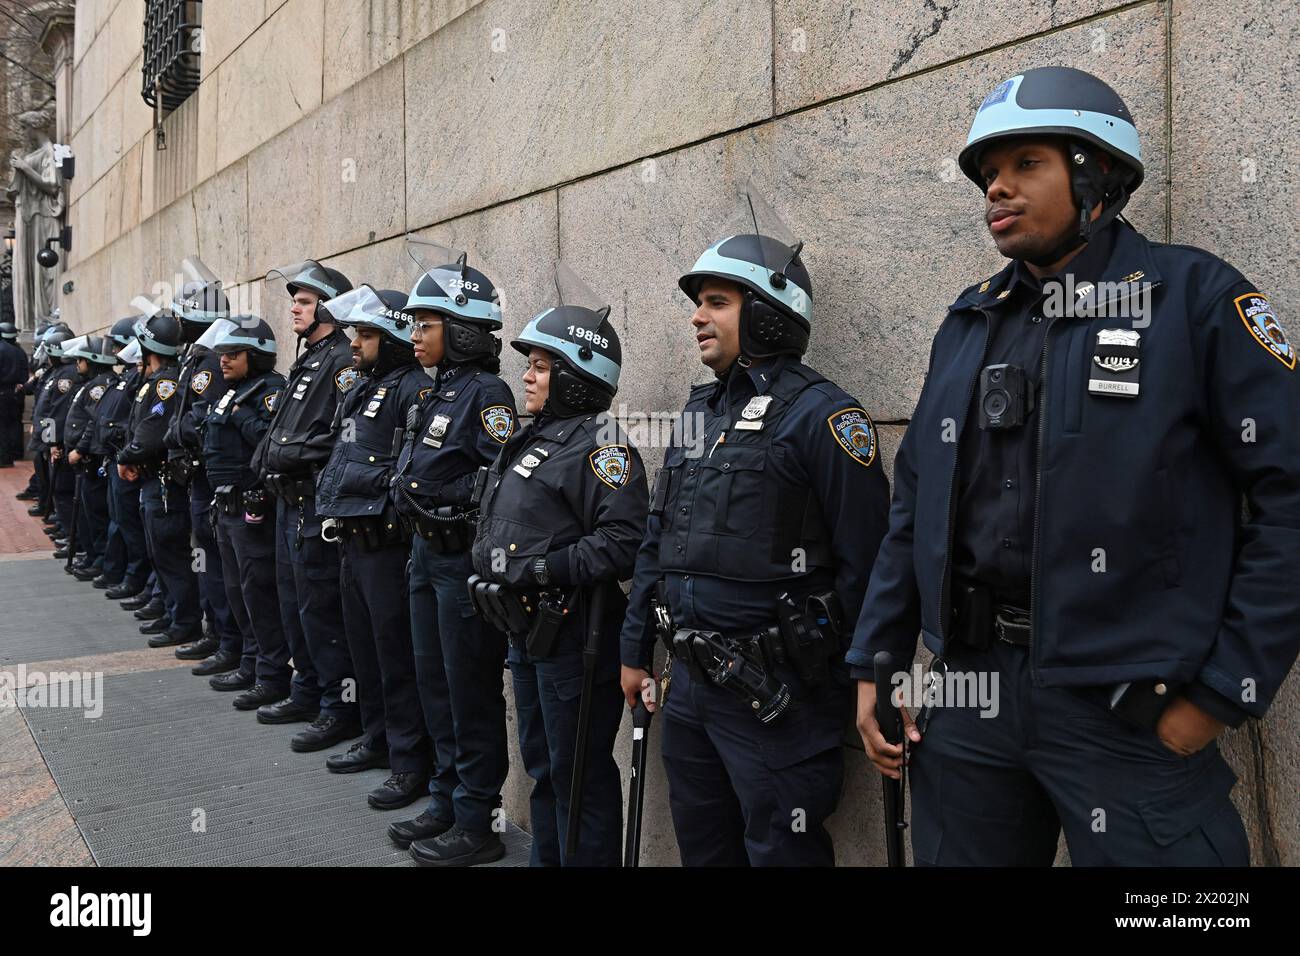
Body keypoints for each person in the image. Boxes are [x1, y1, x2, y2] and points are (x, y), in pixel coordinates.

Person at [849, 66, 1300, 866]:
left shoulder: (1192, 300)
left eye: (1027, 164)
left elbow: (1289, 496)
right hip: (970, 698)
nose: (998, 189)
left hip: (1129, 712)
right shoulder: (967, 322)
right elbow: (912, 507)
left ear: (1095, 172)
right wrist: (877, 665)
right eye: (990, 174)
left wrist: (1221, 694)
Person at [619, 183, 891, 866]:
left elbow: (873, 561)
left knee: (781, 851)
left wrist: (876, 679)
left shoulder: (824, 417)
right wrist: (633, 651)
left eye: (716, 302)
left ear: (769, 315)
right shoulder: (697, 415)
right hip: (689, 690)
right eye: (697, 304)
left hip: (776, 700)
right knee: (704, 845)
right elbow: (658, 540)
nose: (697, 319)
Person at [468, 266, 647, 867]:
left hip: (574, 635)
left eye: (541, 365)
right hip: (527, 634)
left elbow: (623, 541)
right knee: (544, 765)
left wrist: (541, 571)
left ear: (577, 375)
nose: (526, 374)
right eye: (531, 364)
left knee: (578, 774)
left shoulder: (603, 445)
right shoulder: (537, 436)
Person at [385, 242, 517, 860]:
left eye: (427, 324)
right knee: (433, 681)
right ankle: (444, 799)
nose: (415, 335)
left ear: (462, 332)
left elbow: (497, 477)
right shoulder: (434, 393)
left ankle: (476, 820)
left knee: (470, 690)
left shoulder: (488, 394)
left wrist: (442, 495)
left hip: (460, 560)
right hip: (423, 555)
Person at [315, 285, 433, 810]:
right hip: (352, 541)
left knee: (394, 656)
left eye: (365, 334)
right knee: (363, 647)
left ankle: (409, 764)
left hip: (386, 546)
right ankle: (377, 736)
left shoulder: (412, 388)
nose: (356, 343)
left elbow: (406, 471)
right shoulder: (363, 387)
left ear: (390, 339)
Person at [253, 260, 361, 749]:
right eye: (293, 300)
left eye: (303, 301)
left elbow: (339, 436)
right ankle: (308, 689)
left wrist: (291, 454)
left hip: (313, 503)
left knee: (320, 608)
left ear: (328, 308)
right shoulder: (311, 356)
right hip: (287, 501)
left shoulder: (340, 359)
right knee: (293, 601)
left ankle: (338, 707)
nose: (294, 308)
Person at [199, 319, 291, 713]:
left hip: (252, 509)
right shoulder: (233, 391)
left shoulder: (270, 390)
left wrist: (243, 418)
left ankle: (271, 675)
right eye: (222, 353)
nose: (224, 360)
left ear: (255, 355)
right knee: (237, 591)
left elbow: (272, 442)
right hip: (225, 507)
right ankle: (251, 663)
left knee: (258, 593)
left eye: (233, 354)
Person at [165, 258, 244, 667]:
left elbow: (204, 421)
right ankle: (214, 632)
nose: (176, 322)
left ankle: (225, 639)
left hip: (208, 478)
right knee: (207, 561)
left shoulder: (213, 360)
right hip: (195, 478)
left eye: (181, 315)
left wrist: (175, 436)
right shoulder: (198, 356)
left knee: (217, 565)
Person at [116, 304, 203, 648]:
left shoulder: (165, 382)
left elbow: (152, 433)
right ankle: (171, 613)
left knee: (170, 553)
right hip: (150, 479)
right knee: (159, 551)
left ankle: (184, 621)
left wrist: (127, 456)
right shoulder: (152, 380)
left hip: (164, 483)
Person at [99, 326, 153, 605]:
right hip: (120, 457)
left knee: (131, 527)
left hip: (130, 461)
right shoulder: (131, 378)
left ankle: (135, 578)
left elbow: (140, 425)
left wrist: (125, 451)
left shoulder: (146, 381)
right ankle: (125, 574)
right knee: (119, 520)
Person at [60, 335, 119, 581]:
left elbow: (93, 424)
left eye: (81, 360)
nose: (77, 365)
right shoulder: (94, 383)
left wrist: (81, 449)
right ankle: (94, 556)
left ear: (93, 361)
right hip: (87, 458)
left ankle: (102, 560)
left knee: (97, 513)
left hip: (93, 458)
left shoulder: (100, 386)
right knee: (89, 512)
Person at [0, 322, 26, 466]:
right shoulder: (18, 351)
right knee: (15, 423)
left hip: (2, 393)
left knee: (2, 426)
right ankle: (17, 452)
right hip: (16, 393)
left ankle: (4, 458)